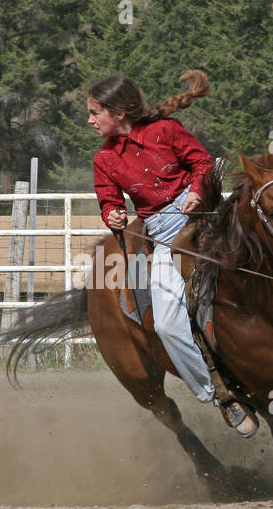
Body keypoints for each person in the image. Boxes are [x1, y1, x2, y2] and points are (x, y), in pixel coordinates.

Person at [89, 69, 255, 436]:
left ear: (118, 112)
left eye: (94, 112)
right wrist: (112, 214)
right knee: (165, 324)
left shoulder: (166, 130)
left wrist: (196, 189)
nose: (90, 121)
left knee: (264, 248)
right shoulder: (105, 160)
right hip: (162, 235)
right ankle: (219, 395)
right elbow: (109, 200)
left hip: (206, 214)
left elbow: (202, 163)